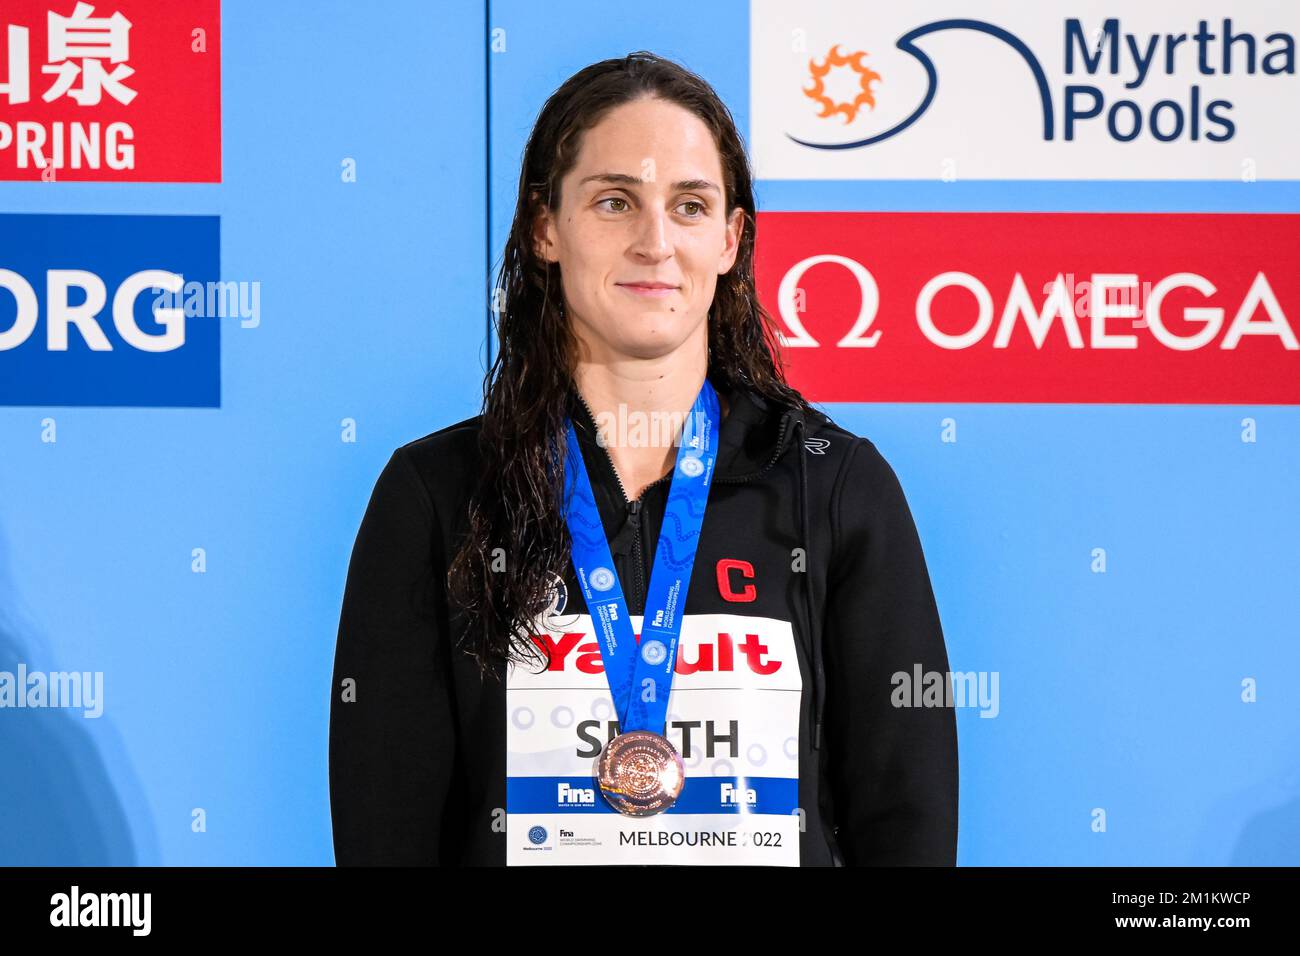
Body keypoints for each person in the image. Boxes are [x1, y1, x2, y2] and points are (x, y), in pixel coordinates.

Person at [328, 51, 957, 866]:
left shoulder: (833, 486)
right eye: (616, 201)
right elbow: (389, 827)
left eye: (689, 206)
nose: (655, 243)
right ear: (545, 227)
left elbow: (904, 819)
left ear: (732, 239)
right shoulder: (437, 494)